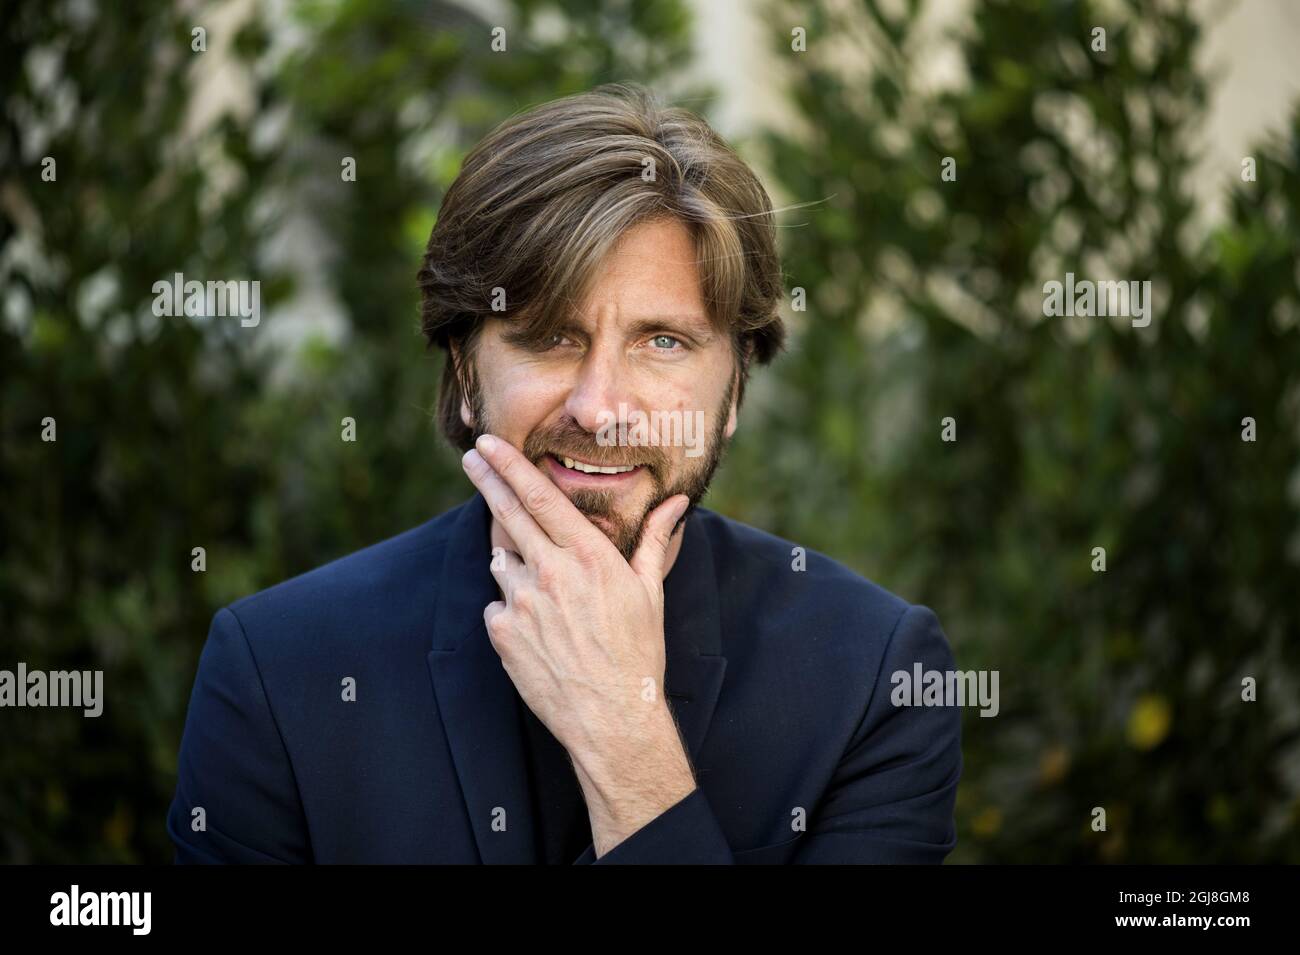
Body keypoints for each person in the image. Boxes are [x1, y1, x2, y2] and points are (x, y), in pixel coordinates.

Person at [168, 83, 961, 864]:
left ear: (735, 388)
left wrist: (626, 738)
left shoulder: (873, 678)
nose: (600, 407)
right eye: (550, 335)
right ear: (466, 369)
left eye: (663, 342)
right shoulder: (280, 670)